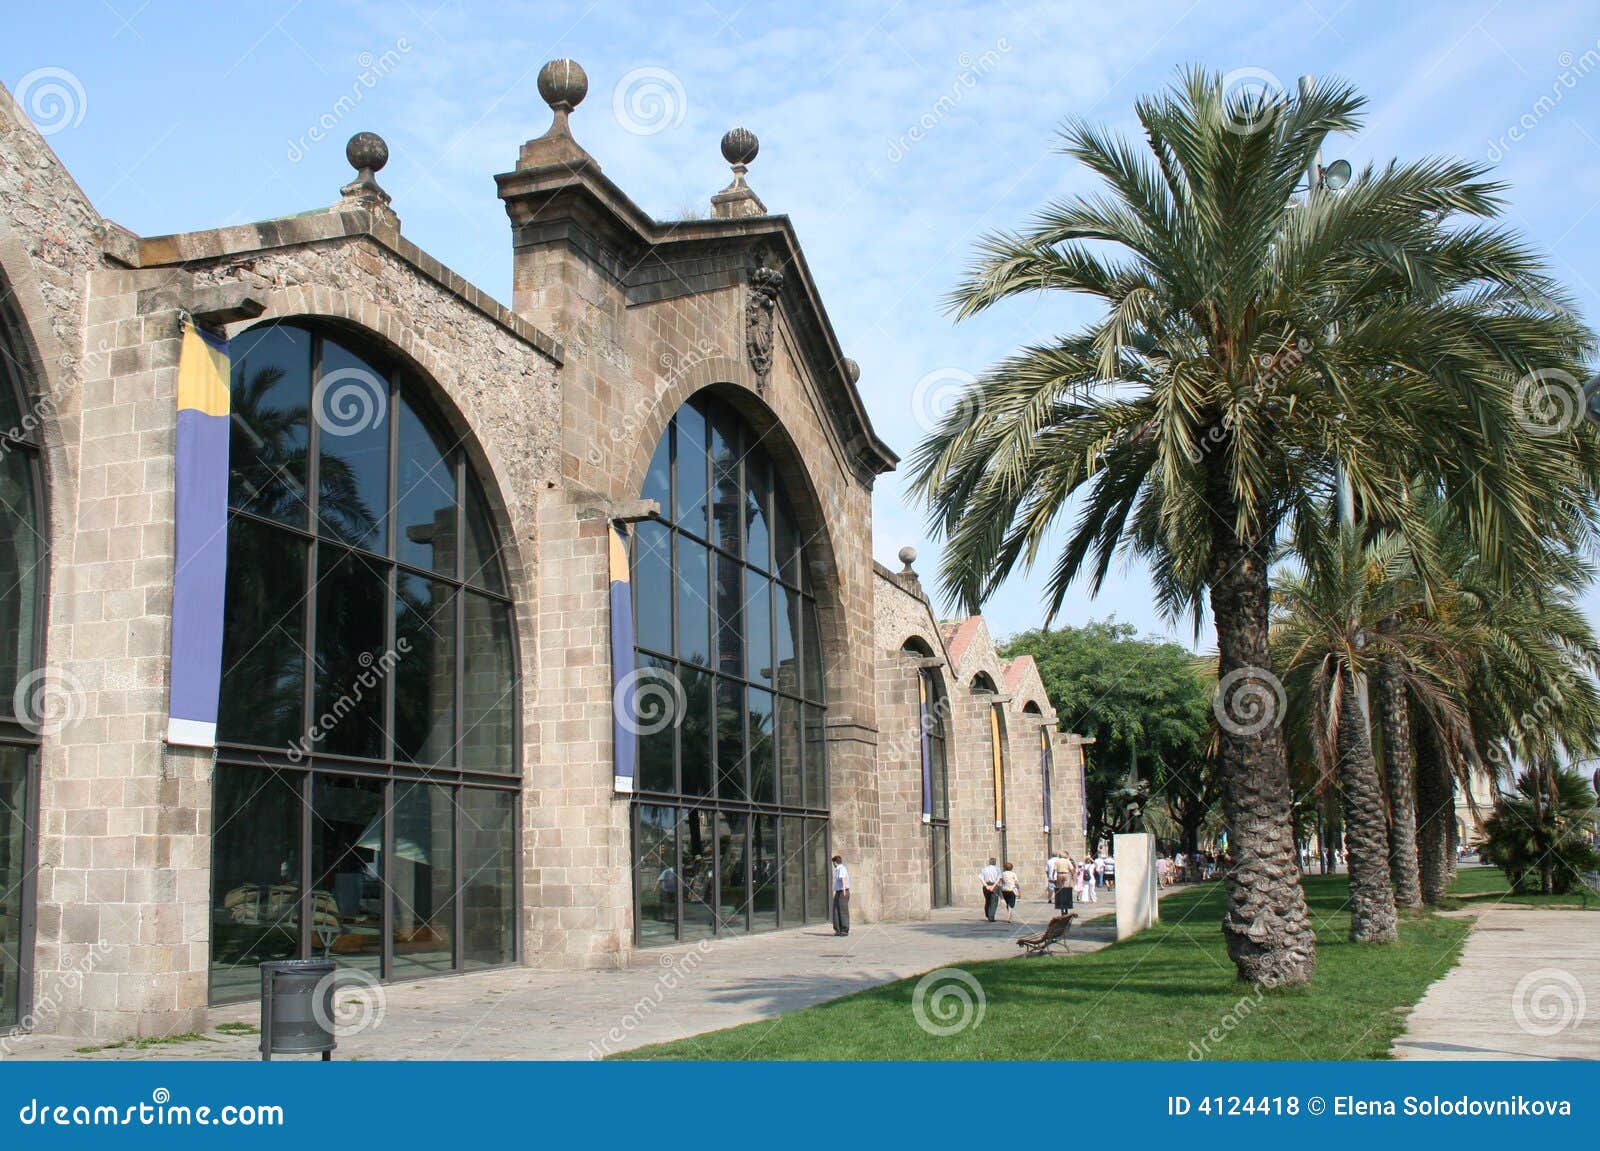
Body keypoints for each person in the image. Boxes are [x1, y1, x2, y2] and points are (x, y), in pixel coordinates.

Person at [830, 854, 850, 936]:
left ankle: (844, 930)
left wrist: (844, 890)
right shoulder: (838, 869)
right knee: (836, 910)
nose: (833, 865)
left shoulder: (841, 869)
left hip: (842, 892)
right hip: (839, 892)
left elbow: (843, 879)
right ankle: (838, 929)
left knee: (843, 911)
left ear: (835, 862)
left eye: (833, 863)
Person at [979, 857, 1002, 922]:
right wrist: (993, 886)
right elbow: (999, 879)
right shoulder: (997, 869)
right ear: (995, 862)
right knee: (994, 901)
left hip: (986, 885)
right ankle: (991, 917)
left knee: (987, 900)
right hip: (994, 885)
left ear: (989, 862)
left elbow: (981, 878)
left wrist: (986, 886)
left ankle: (987, 914)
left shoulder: (984, 869)